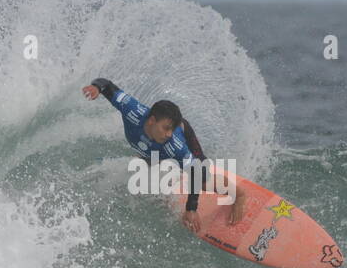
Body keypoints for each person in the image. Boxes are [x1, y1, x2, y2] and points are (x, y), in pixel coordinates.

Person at [81, 77, 242, 232]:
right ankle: (169, 179)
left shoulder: (174, 144)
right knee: (143, 173)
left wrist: (191, 209)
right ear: (151, 120)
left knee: (203, 177)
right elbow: (106, 85)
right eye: (166, 128)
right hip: (150, 148)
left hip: (182, 138)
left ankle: (238, 194)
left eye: (171, 130)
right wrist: (96, 88)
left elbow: (196, 171)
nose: (169, 134)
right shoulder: (132, 110)